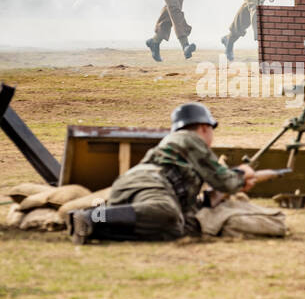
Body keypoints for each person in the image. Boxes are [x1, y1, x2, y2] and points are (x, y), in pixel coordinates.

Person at [68, 103, 256, 244]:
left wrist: (208, 200)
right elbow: (223, 181)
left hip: (133, 189)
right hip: (150, 183)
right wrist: (241, 173)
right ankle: (91, 216)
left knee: (175, 228)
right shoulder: (189, 138)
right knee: (166, 212)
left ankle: (91, 227)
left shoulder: (173, 142)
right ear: (204, 127)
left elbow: (187, 206)